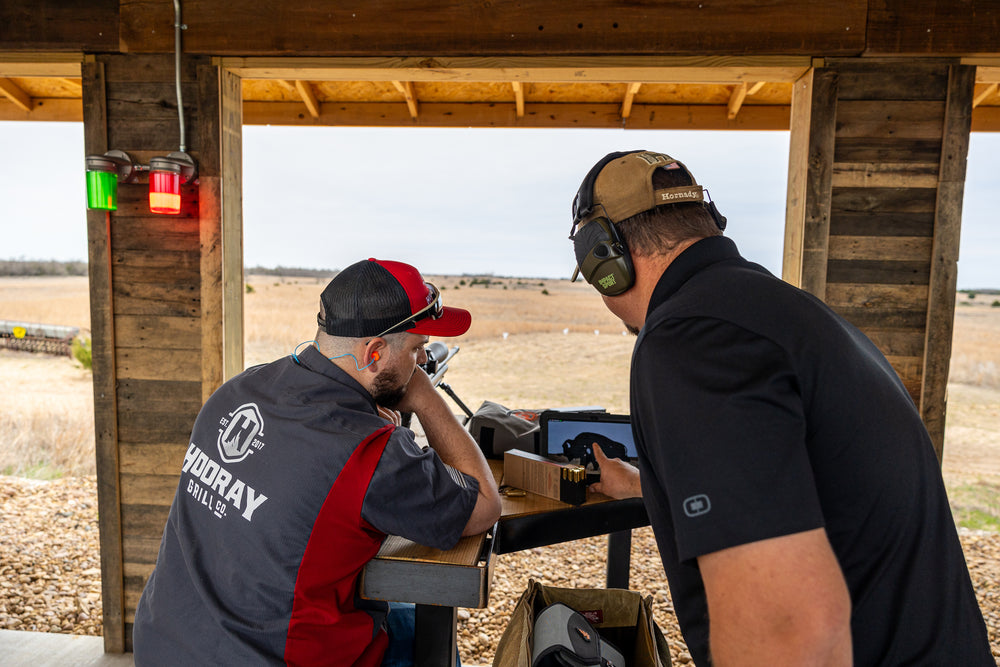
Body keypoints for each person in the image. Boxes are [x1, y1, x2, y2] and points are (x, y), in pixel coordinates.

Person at [571, 150, 993, 665]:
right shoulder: (778, 313)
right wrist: (647, 485)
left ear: (604, 259)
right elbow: (798, 488)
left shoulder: (692, 338)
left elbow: (788, 631)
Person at [133, 258, 502, 666]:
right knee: (423, 634)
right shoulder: (370, 452)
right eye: (416, 350)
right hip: (269, 659)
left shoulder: (238, 390)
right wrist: (424, 396)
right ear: (374, 353)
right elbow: (486, 504)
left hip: (164, 646)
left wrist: (369, 414)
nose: (421, 361)